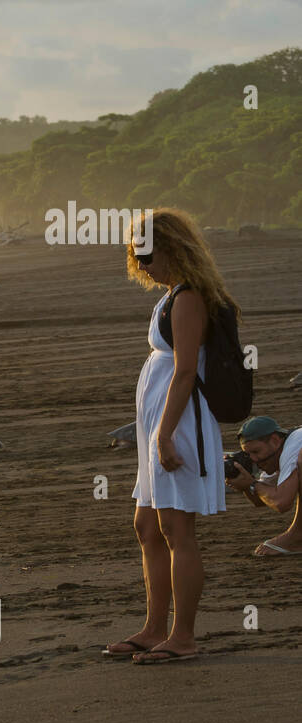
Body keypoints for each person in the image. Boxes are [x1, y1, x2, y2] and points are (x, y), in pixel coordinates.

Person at [105, 208, 240, 664]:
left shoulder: (189, 299)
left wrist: (164, 435)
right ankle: (153, 627)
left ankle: (183, 636)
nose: (142, 262)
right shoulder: (171, 296)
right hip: (160, 427)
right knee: (147, 525)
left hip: (180, 425)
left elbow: (184, 372)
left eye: (148, 253)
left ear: (174, 249)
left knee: (176, 527)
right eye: (135, 254)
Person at [226, 416, 302, 555]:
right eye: (248, 455)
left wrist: (252, 483)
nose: (253, 460)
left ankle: (298, 537)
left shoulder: (295, 445)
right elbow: (262, 500)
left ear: (274, 440)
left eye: (256, 452)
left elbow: (282, 503)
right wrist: (245, 484)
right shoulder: (276, 455)